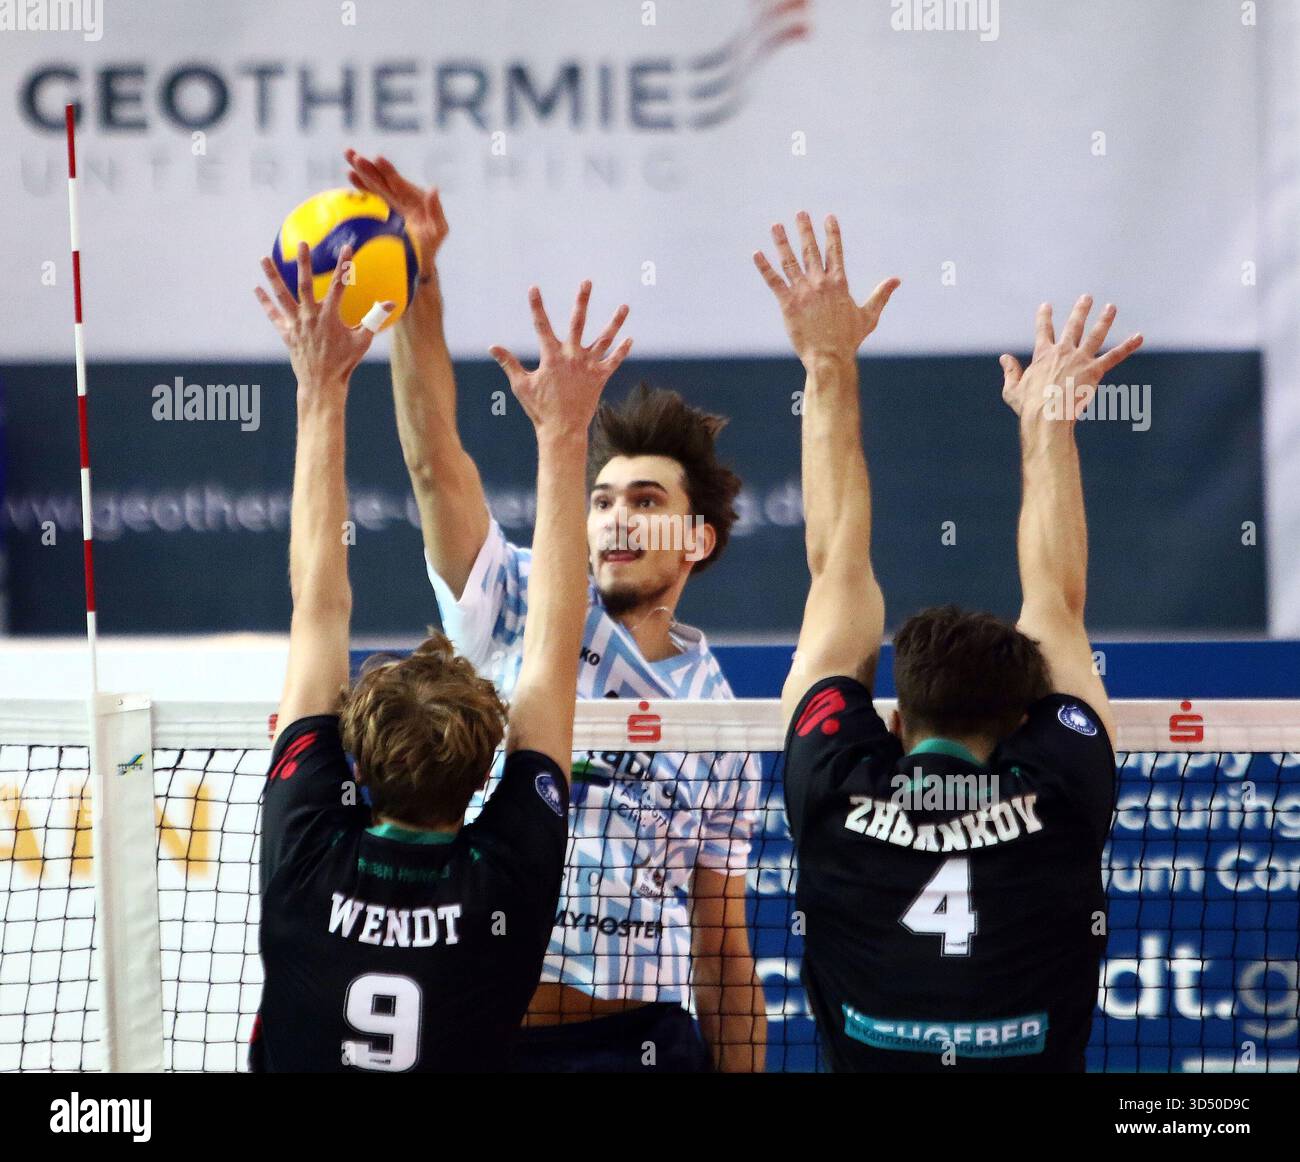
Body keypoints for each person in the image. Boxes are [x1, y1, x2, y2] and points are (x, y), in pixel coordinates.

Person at [345, 149, 766, 1072]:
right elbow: (433, 463)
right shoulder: (518, 597)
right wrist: (418, 281)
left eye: (647, 503)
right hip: (483, 1030)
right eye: (605, 498)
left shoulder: (725, 716)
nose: (616, 518)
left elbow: (724, 950)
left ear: (699, 541)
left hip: (638, 1045)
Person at [754, 211, 1143, 1071]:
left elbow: (836, 570)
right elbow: (1058, 602)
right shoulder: (1063, 791)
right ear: (1019, 723)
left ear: (894, 723)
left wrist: (827, 362)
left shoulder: (832, 787)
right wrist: (1048, 425)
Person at [248, 235, 630, 1072]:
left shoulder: (306, 852)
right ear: (480, 769)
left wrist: (320, 389)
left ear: (358, 758)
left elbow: (319, 606)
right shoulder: (502, 883)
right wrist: (564, 436)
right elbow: (552, 655)